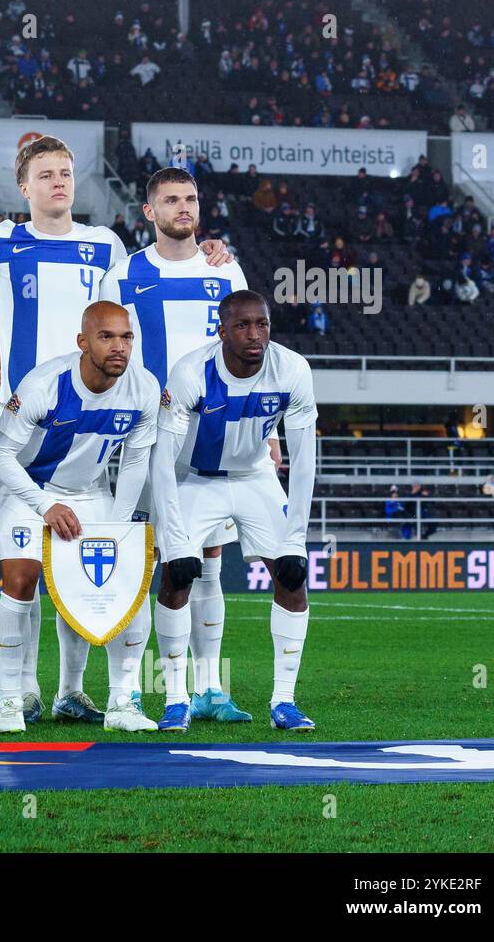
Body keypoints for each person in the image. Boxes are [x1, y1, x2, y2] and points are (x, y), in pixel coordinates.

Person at [0, 135, 233, 724]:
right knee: (9, 568)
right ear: (24, 185)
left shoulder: (106, 247)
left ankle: (70, 690)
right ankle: (1, 693)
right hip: (18, 423)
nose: (59, 182)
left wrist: (206, 250)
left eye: (66, 172)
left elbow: (148, 287)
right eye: (46, 174)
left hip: (93, 427)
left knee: (76, 568)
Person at [100, 166, 261, 725]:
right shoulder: (123, 276)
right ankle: (135, 691)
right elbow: (109, 356)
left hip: (215, 441)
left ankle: (211, 687)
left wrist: (259, 432)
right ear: (150, 212)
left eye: (191, 198)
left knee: (209, 563)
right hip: (148, 438)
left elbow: (248, 352)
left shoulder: (225, 269)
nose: (183, 208)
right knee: (149, 563)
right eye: (171, 200)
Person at [0, 302, 160, 732]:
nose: (119, 347)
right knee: (21, 580)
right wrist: (45, 506)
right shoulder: (44, 384)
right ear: (83, 342)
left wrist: (119, 528)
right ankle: (11, 701)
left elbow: (136, 462)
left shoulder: (144, 387)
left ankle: (118, 700)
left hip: (92, 494)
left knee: (125, 585)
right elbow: (1, 456)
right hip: (29, 492)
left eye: (126, 337)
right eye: (106, 337)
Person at [153, 289, 318, 732]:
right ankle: (174, 698)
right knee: (178, 574)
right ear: (221, 331)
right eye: (242, 326)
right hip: (195, 479)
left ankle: (284, 701)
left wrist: (296, 538)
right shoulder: (191, 372)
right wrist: (170, 537)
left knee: (292, 574)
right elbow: (162, 459)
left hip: (255, 479)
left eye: (262, 324)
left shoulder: (293, 369)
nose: (254, 335)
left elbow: (304, 460)